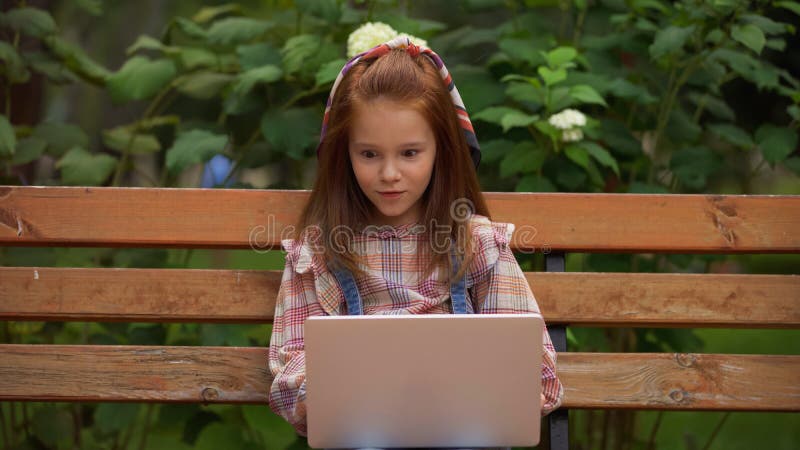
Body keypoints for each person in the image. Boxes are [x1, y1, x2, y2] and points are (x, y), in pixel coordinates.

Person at [267, 36, 564, 445]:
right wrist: (341, 390)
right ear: (344, 154)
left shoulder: (475, 243)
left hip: (466, 434)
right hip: (362, 435)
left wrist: (479, 385)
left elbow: (537, 372)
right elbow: (291, 368)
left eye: (410, 153)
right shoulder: (320, 252)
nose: (389, 173)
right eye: (369, 154)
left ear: (441, 150)